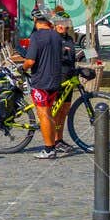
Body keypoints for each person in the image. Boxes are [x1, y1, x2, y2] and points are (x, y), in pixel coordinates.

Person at [19, 13, 69, 158]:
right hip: (55, 80)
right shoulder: (56, 36)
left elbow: (30, 61)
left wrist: (22, 68)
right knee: (49, 113)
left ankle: (48, 149)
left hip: (41, 81)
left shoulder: (36, 36)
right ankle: (52, 144)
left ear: (36, 22)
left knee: (44, 115)